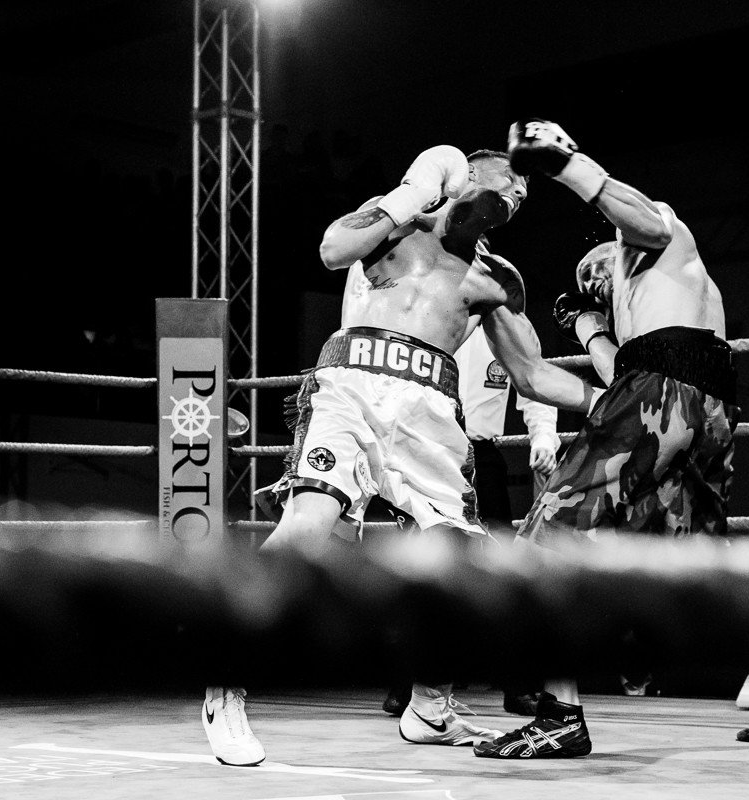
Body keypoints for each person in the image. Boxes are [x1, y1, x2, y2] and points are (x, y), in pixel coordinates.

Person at [201, 144, 603, 765]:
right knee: (308, 526)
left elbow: (533, 376)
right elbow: (332, 250)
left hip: (431, 409)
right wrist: (414, 192)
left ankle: (429, 707)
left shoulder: (498, 279)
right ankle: (224, 682)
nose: (519, 196)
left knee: (459, 557)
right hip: (352, 381)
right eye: (512, 180)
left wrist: (614, 402)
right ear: (467, 175)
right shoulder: (394, 223)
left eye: (526, 195)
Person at [472, 119, 749, 759]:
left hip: (669, 389)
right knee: (703, 570)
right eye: (589, 282)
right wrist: (587, 326)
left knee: (550, 527)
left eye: (596, 270)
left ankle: (558, 714)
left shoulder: (655, 234)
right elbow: (622, 384)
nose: (595, 279)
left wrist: (565, 163)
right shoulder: (641, 306)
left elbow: (645, 224)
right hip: (692, 402)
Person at [380, 321, 560, 719]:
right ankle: (408, 687)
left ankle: (518, 687)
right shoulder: (428, 304)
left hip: (482, 453)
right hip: (424, 451)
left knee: (503, 573)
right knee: (426, 572)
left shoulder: (508, 318)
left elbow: (535, 379)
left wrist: (544, 436)